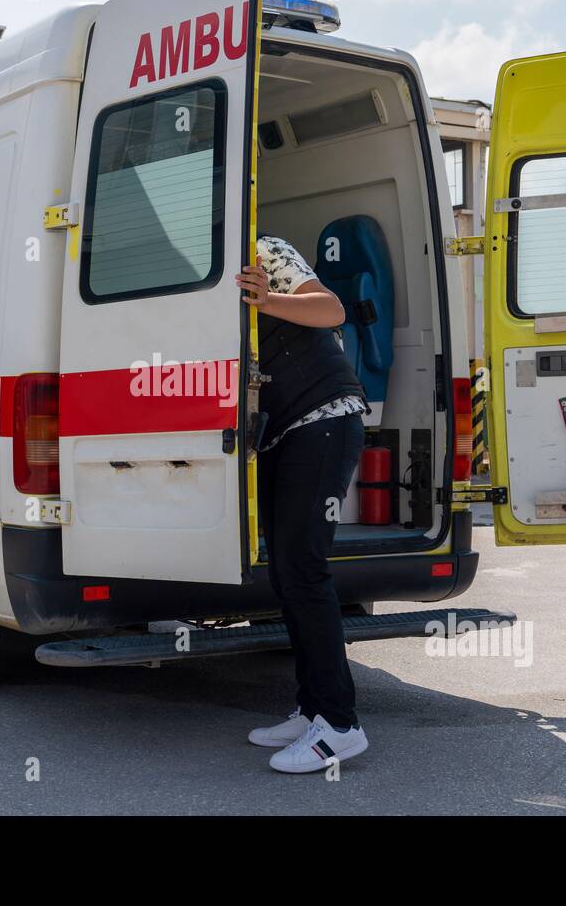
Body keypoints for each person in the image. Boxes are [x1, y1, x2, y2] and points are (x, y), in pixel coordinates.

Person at [235, 234, 369, 774]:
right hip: (280, 431)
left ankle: (340, 726)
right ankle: (312, 707)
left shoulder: (263, 248)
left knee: (305, 572)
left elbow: (330, 309)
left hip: (324, 419)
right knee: (288, 575)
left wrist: (267, 300)